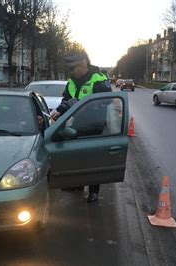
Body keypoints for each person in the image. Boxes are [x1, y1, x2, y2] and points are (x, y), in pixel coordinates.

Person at [51, 54, 112, 203]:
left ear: (83, 65)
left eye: (73, 68)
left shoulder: (99, 79)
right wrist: (59, 111)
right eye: (70, 68)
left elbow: (107, 100)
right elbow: (67, 99)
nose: (71, 71)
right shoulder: (72, 81)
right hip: (78, 123)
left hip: (94, 125)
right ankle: (77, 185)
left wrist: (86, 106)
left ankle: (93, 191)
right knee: (77, 156)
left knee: (92, 159)